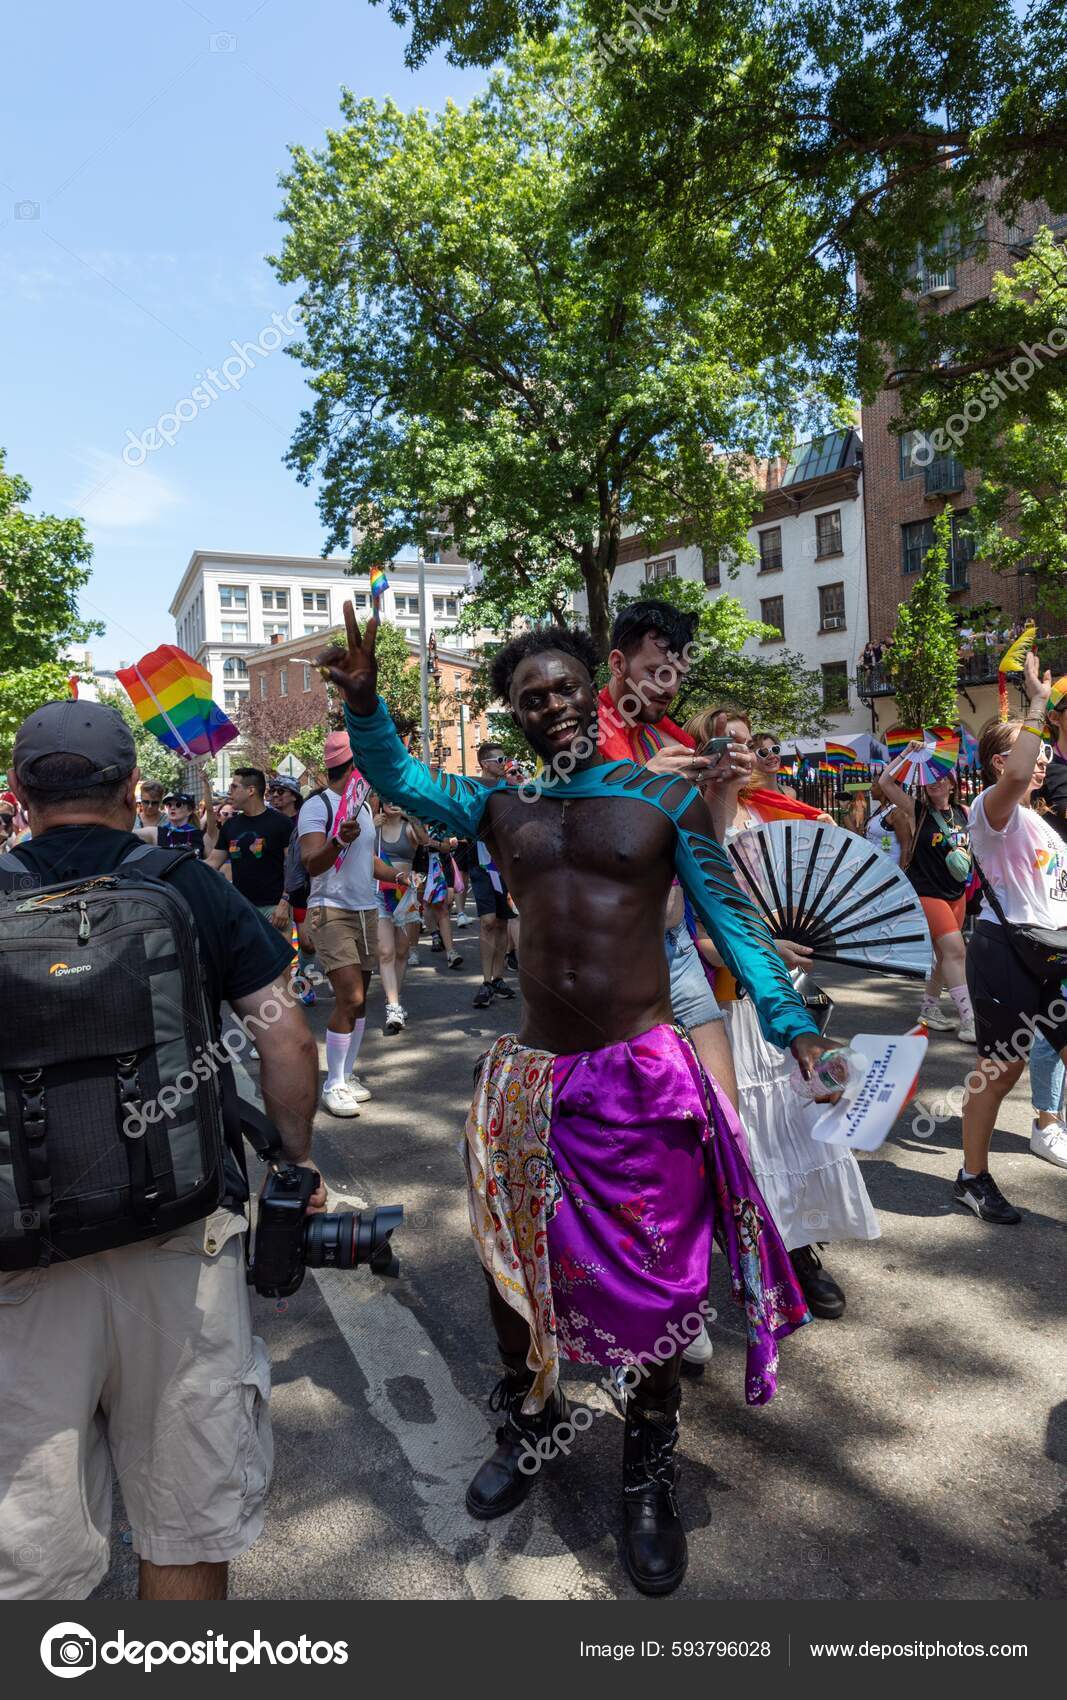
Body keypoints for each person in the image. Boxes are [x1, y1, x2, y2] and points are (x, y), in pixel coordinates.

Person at [321, 607, 838, 1597]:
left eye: (561, 688)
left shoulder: (656, 801)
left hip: (638, 1082)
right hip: (532, 1083)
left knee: (651, 1285)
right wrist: (364, 703)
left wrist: (793, 1024)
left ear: (590, 691)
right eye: (528, 697)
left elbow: (729, 921)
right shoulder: (500, 806)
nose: (548, 705)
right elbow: (403, 781)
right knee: (513, 1274)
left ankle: (645, 1462)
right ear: (513, 714)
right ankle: (525, 1421)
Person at [0, 699, 320, 1601]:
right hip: (180, 1242)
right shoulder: (188, 885)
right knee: (183, 1521)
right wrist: (293, 1163)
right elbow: (285, 1038)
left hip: (20, 1256)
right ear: (133, 788)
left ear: (20, 794)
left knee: (27, 1552)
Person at [686, 706, 880, 1322]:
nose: (741, 754)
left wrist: (792, 947)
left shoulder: (781, 815)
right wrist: (759, 950)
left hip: (782, 997)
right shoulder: (682, 819)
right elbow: (686, 933)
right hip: (718, 1000)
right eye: (726, 744)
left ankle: (800, 1253)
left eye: (749, 744)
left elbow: (807, 899)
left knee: (798, 1120)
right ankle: (756, 1262)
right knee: (745, 1136)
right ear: (701, 751)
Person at [961, 663, 1067, 1218]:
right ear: (1001, 764)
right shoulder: (991, 812)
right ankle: (972, 1177)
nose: (1044, 756)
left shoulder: (1043, 823)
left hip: (1052, 958)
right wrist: (1036, 705)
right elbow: (1023, 770)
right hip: (1005, 956)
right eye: (1033, 748)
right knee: (1000, 1073)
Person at [298, 730, 399, 1114]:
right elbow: (311, 862)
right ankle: (333, 1083)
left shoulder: (364, 807)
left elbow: (367, 862)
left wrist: (400, 877)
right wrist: (337, 841)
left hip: (366, 909)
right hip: (331, 909)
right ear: (353, 764)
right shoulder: (318, 807)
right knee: (349, 997)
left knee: (360, 1004)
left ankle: (347, 1073)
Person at [876, 750, 974, 1041]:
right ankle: (969, 1021)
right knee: (957, 951)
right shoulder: (916, 810)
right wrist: (906, 754)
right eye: (930, 779)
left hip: (956, 893)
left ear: (952, 783)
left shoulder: (964, 813)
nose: (936, 782)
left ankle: (929, 1009)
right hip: (927, 892)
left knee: (944, 956)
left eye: (942, 778)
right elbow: (885, 781)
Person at [207, 767, 293, 930]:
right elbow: (212, 862)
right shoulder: (230, 826)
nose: (229, 791)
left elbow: (293, 867)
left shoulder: (282, 823)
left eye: (234, 787)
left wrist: (285, 902)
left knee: (278, 956)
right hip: (242, 908)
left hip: (275, 908)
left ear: (251, 791)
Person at [469, 742, 518, 1010]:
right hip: (481, 862)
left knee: (501, 922)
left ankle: (498, 977)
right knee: (488, 921)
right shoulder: (474, 787)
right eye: (500, 759)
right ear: (486, 764)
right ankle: (486, 981)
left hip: (505, 863)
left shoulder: (509, 788)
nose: (505, 763)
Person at [268, 775, 317, 1005]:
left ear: (294, 795)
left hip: (302, 889)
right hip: (274, 891)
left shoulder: (305, 820)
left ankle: (304, 976)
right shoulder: (268, 820)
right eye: (273, 790)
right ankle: (286, 991)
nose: (275, 795)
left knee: (307, 943)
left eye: (281, 790)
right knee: (281, 946)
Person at [375, 799, 423, 1033]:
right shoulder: (373, 827)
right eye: (388, 799)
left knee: (402, 951)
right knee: (386, 951)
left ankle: (393, 996)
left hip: (406, 895)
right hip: (378, 894)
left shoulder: (410, 828)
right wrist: (369, 827)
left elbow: (425, 841)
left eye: (397, 799)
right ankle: (393, 1007)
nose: (393, 803)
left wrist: (411, 813)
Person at [156, 768, 219, 859]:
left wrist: (205, 783)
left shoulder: (201, 836)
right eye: (169, 805)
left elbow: (209, 810)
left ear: (189, 811)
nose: (172, 808)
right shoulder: (158, 832)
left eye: (178, 805)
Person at [135, 777, 164, 841]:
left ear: (160, 801)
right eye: (146, 802)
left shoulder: (169, 821)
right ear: (141, 800)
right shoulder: (132, 820)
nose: (150, 806)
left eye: (154, 803)